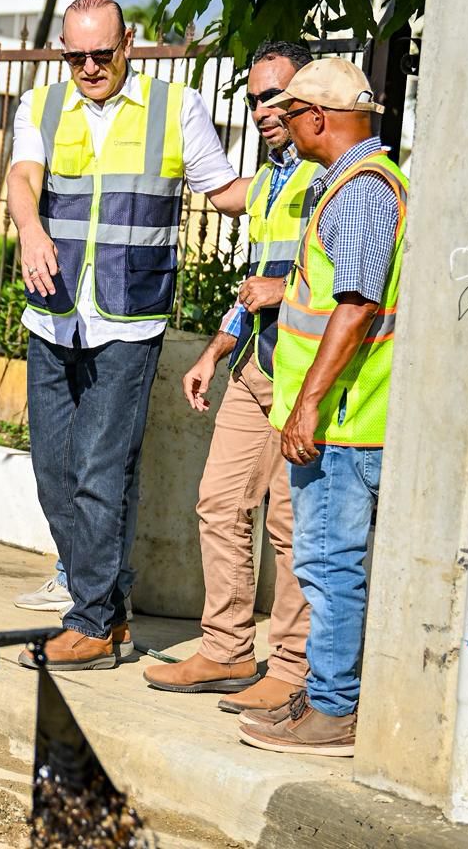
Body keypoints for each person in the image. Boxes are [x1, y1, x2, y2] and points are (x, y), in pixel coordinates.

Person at [11, 0, 249, 671]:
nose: (88, 67)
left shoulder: (177, 109)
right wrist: (29, 227)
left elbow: (225, 191)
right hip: (53, 313)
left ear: (129, 42)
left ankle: (92, 619)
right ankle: (108, 608)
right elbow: (23, 177)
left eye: (101, 53)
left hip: (129, 317)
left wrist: (297, 188)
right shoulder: (43, 105)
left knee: (101, 469)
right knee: (56, 472)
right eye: (74, 55)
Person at [235, 58, 407, 757]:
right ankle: (324, 693)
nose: (282, 121)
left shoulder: (362, 192)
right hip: (338, 416)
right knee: (320, 564)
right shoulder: (352, 185)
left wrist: (306, 407)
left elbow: (357, 306)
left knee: (330, 567)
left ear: (319, 118)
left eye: (292, 110)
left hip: (345, 420)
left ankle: (335, 709)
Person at [142, 42, 321, 713]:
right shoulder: (274, 179)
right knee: (219, 503)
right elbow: (255, 285)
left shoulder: (333, 174)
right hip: (253, 366)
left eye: (272, 96)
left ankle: (295, 668)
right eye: (252, 99)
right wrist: (214, 351)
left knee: (290, 527)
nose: (261, 110)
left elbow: (351, 283)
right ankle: (226, 650)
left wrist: (285, 290)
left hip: (304, 374)